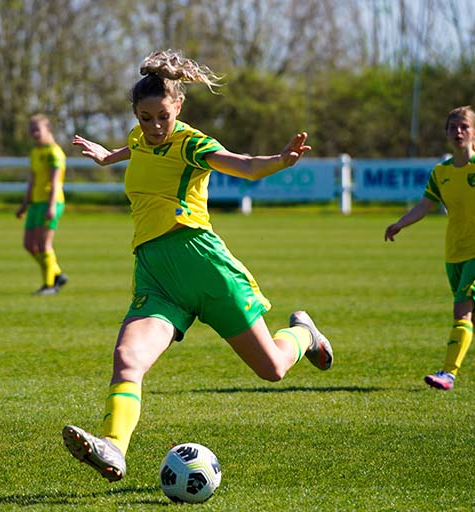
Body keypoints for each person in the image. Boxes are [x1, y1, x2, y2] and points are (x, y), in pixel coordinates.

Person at [61, 49, 333, 482]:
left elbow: (240, 165)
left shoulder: (191, 143)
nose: (153, 127)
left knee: (273, 370)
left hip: (203, 265)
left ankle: (304, 332)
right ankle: (114, 446)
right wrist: (105, 156)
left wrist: (279, 162)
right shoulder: (136, 137)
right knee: (127, 358)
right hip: (155, 273)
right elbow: (134, 149)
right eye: (145, 117)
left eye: (162, 117)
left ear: (179, 106)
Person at [385, 105, 475, 391]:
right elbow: (424, 205)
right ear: (446, 133)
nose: (458, 132)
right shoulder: (441, 172)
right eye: (453, 127)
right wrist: (400, 224)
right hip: (454, 252)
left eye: (464, 127)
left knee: (461, 310)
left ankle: (449, 373)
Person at [16, 114, 69, 295]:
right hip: (36, 202)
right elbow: (32, 180)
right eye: (31, 130)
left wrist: (52, 206)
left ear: (48, 130)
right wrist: (24, 204)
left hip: (51, 202)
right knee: (29, 244)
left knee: (44, 244)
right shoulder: (35, 152)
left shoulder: (55, 153)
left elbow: (56, 183)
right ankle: (57, 274)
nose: (34, 133)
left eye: (37, 129)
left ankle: (49, 285)